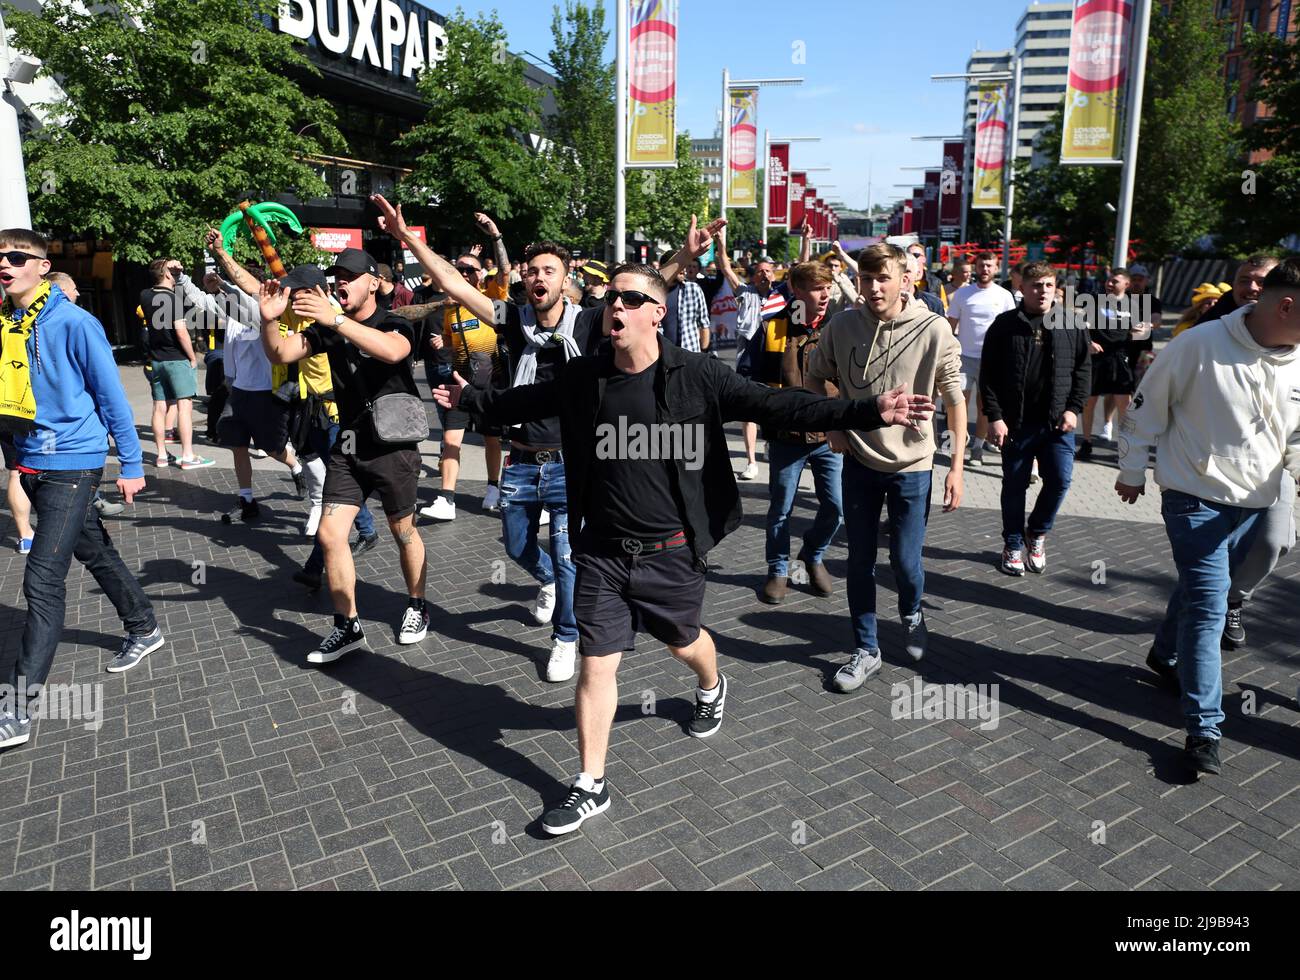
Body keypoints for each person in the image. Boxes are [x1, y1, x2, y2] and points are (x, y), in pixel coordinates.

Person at [435, 256, 934, 835]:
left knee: (683, 642)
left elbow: (781, 404)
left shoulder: (697, 375)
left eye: (627, 299)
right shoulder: (583, 377)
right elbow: (517, 404)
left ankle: (712, 684)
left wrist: (868, 408)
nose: (613, 308)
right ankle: (590, 784)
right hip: (599, 550)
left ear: (657, 312)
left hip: (670, 549)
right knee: (597, 667)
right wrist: (467, 399)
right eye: (609, 301)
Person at [380, 196, 604, 683]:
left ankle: (566, 637)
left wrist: (687, 258)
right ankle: (543, 581)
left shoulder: (588, 324)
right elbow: (453, 283)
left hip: (570, 463)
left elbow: (651, 290)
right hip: (521, 462)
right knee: (516, 546)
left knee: (568, 556)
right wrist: (406, 237)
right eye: (532, 271)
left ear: (566, 279)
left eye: (550, 271)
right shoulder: (514, 322)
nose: (539, 278)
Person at [1117, 258, 1300, 777]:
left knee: (1238, 571)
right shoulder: (1198, 345)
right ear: (1286, 305)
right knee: (1208, 604)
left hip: (1258, 498)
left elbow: (1297, 435)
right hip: (1193, 496)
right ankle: (1204, 729)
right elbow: (1146, 407)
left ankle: (1163, 652)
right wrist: (1132, 468)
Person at [0, 230, 164, 750]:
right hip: (33, 458)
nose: (5, 265)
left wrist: (132, 463)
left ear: (42, 267)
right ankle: (144, 626)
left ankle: (18, 707)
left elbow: (112, 395)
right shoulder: (6, 324)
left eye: (16, 257)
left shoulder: (74, 322)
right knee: (92, 548)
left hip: (75, 459)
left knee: (43, 579)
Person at [258, 243, 429, 662]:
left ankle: (417, 606)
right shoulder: (326, 328)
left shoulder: (394, 322)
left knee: (402, 531)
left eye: (350, 276)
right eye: (337, 277)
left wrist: (334, 318)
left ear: (374, 282)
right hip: (348, 446)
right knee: (331, 534)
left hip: (393, 447)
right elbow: (281, 352)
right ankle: (346, 625)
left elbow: (391, 351)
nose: (341, 283)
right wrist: (267, 321)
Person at [806, 243, 966, 690]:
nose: (873, 287)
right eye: (866, 279)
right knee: (858, 560)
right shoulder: (842, 325)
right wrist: (831, 425)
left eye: (882, 279)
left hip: (913, 464)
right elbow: (814, 375)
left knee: (904, 561)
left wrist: (955, 467)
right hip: (858, 459)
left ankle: (912, 613)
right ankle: (865, 648)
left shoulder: (934, 329)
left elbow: (955, 400)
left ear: (904, 281)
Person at [180, 235, 305, 521]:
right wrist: (182, 279)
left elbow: (243, 305)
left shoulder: (265, 316)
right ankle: (246, 500)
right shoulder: (233, 313)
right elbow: (202, 301)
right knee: (237, 445)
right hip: (239, 391)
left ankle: (296, 467)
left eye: (240, 288)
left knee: (271, 448)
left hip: (266, 392)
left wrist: (224, 285)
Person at [980, 261, 1090, 575]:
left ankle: (1037, 532)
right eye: (1035, 286)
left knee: (1059, 480)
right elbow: (988, 376)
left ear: (1056, 289)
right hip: (1015, 424)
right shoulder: (1004, 325)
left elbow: (1083, 371)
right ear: (1022, 288)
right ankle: (1013, 543)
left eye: (1048, 285)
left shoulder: (1072, 323)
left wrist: (1073, 409)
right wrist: (995, 417)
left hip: (1057, 423)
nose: (1042, 291)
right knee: (1014, 485)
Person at [760, 261, 843, 604]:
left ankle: (812, 554)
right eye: (816, 288)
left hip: (829, 436)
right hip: (787, 436)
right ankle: (779, 570)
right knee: (781, 508)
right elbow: (759, 385)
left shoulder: (838, 328)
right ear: (797, 292)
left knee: (836, 507)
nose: (824, 295)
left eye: (828, 287)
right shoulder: (775, 328)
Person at [419, 230, 509, 522]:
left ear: (481, 275)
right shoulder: (450, 309)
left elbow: (506, 271)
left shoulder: (491, 296)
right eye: (459, 269)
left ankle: (493, 488)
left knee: (491, 439)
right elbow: (450, 340)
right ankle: (446, 498)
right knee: (450, 439)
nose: (464, 274)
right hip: (458, 381)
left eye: (470, 269)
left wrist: (496, 237)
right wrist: (443, 343)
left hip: (489, 383)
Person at [719, 240, 786, 479]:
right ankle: (751, 461)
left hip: (773, 357)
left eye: (768, 271)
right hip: (748, 357)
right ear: (754, 276)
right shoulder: (744, 293)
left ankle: (769, 441)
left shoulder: (781, 296)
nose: (765, 274)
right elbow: (726, 268)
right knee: (748, 410)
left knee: (773, 406)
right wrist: (720, 243)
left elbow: (801, 268)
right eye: (760, 271)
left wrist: (806, 241)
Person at [140, 260, 214, 471]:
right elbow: (181, 331)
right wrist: (192, 357)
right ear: (166, 275)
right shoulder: (174, 299)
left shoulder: (145, 295)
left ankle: (162, 455)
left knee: (159, 406)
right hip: (176, 358)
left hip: (156, 359)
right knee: (184, 406)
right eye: (170, 272)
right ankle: (188, 455)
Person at [946, 251, 1015, 467]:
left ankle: (977, 448)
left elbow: (1010, 329)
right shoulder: (963, 294)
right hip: (964, 357)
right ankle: (957, 443)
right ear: (975, 267)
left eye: (989, 265)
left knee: (985, 405)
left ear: (996, 268)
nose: (984, 269)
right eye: (981, 265)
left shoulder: (1004, 296)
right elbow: (950, 326)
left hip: (992, 360)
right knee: (957, 402)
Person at [1077, 268, 1137, 462]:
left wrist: (1141, 329)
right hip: (1096, 357)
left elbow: (1140, 333)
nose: (1109, 284)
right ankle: (1086, 442)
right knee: (1089, 402)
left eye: (1115, 281)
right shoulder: (1094, 300)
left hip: (1119, 359)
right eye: (1109, 280)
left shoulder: (1133, 305)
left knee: (1125, 405)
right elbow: (1080, 324)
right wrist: (1088, 342)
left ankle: (1125, 447)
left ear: (1126, 285)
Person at [1194, 255, 1279, 327]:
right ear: (1234, 285)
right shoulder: (1204, 330)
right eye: (1244, 281)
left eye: (1262, 282)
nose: (1252, 288)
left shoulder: (1290, 331)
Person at [657, 250, 708, 353]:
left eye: (685, 265)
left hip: (689, 354)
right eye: (679, 265)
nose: (683, 269)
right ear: (665, 268)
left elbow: (704, 324)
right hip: (659, 354)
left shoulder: (693, 289)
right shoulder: (652, 293)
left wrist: (703, 354)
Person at [906, 243, 946, 313]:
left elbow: (943, 308)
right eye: (909, 255)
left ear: (924, 259)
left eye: (916, 255)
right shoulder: (901, 280)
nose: (912, 258)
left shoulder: (936, 283)